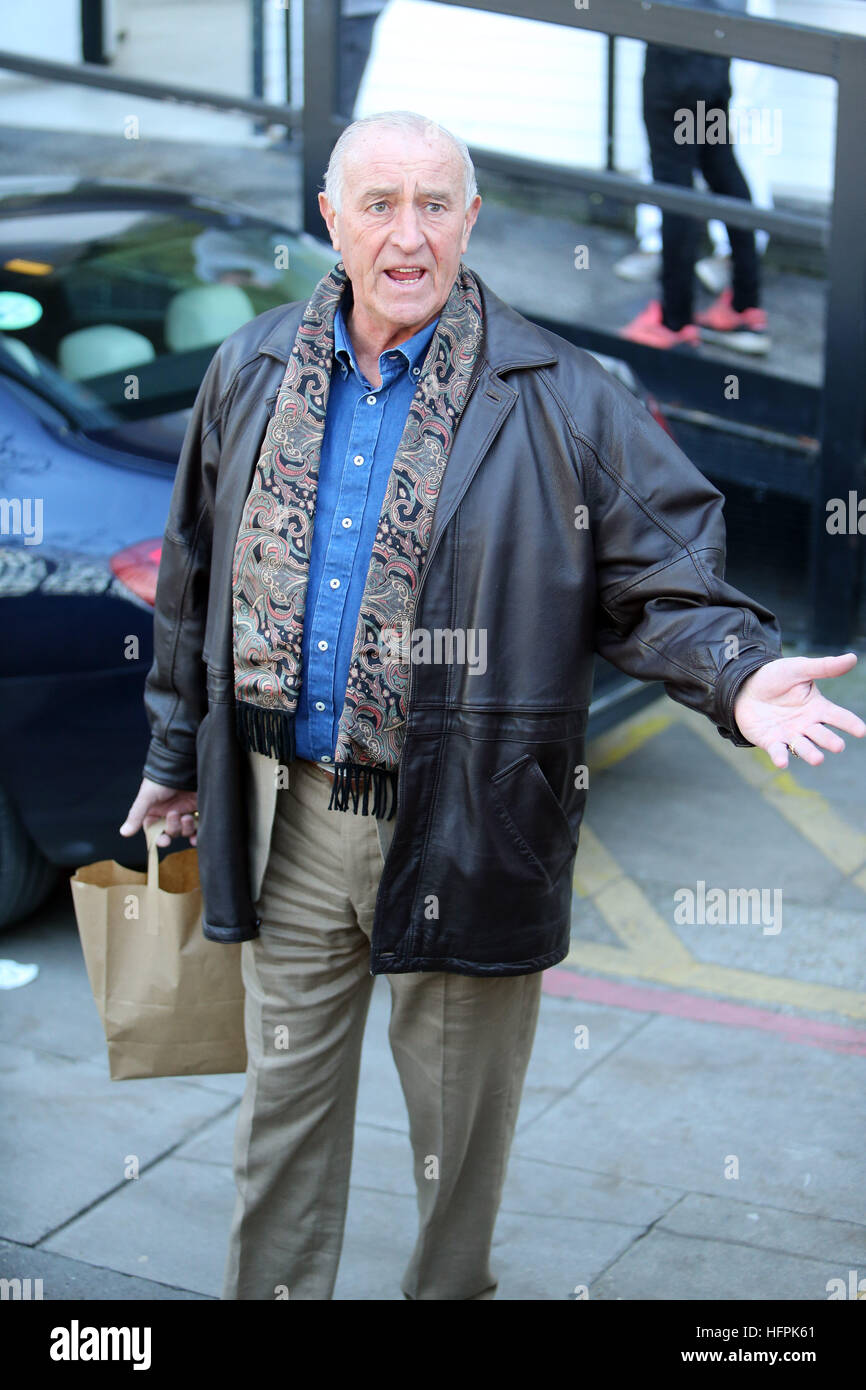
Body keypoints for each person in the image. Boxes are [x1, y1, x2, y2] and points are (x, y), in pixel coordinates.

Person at [120, 109, 864, 1301]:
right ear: (330, 221)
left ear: (471, 219)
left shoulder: (561, 395)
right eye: (378, 205)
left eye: (432, 205)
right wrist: (175, 752)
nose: (405, 236)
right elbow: (193, 578)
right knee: (278, 1124)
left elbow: (664, 574)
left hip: (468, 822)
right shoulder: (251, 366)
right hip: (289, 818)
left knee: (453, 1145)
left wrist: (734, 669)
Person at [620, 0, 770, 353]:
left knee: (674, 184)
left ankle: (675, 320)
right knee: (721, 168)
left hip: (673, 57)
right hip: (714, 55)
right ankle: (745, 306)